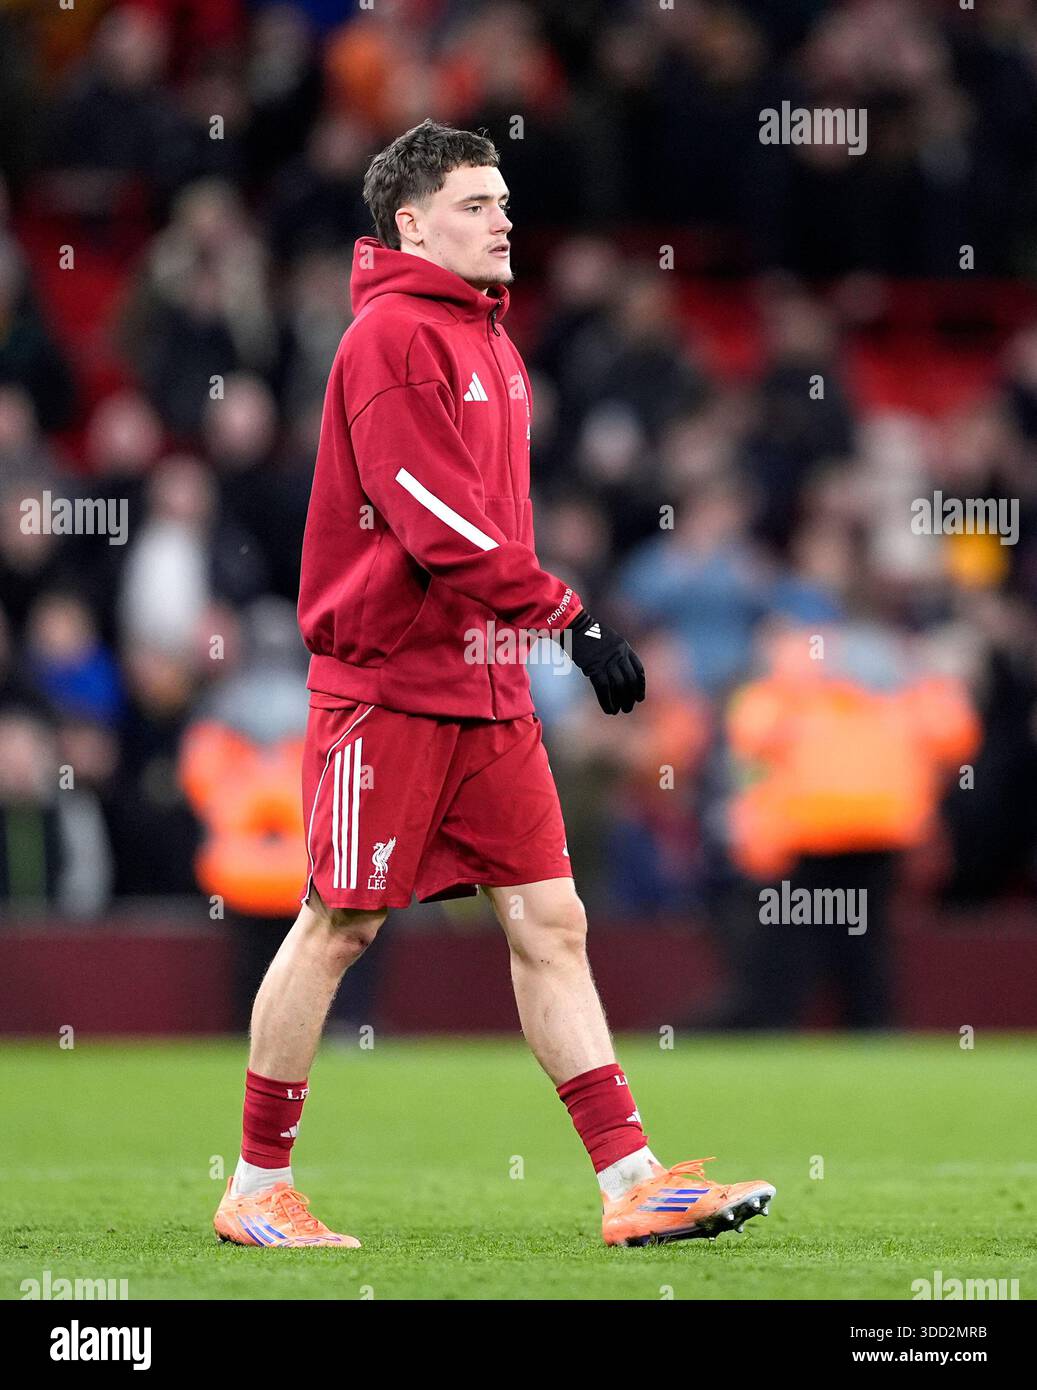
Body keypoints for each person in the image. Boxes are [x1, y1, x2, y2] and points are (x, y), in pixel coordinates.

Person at [213, 119, 773, 1250]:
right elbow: (431, 521)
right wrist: (568, 614)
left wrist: (531, 632)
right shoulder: (388, 338)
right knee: (338, 920)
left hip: (486, 684)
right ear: (411, 224)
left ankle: (632, 1180)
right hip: (386, 683)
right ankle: (254, 1187)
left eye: (505, 200)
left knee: (550, 921)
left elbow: (477, 524)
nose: (503, 218)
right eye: (476, 203)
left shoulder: (489, 343)